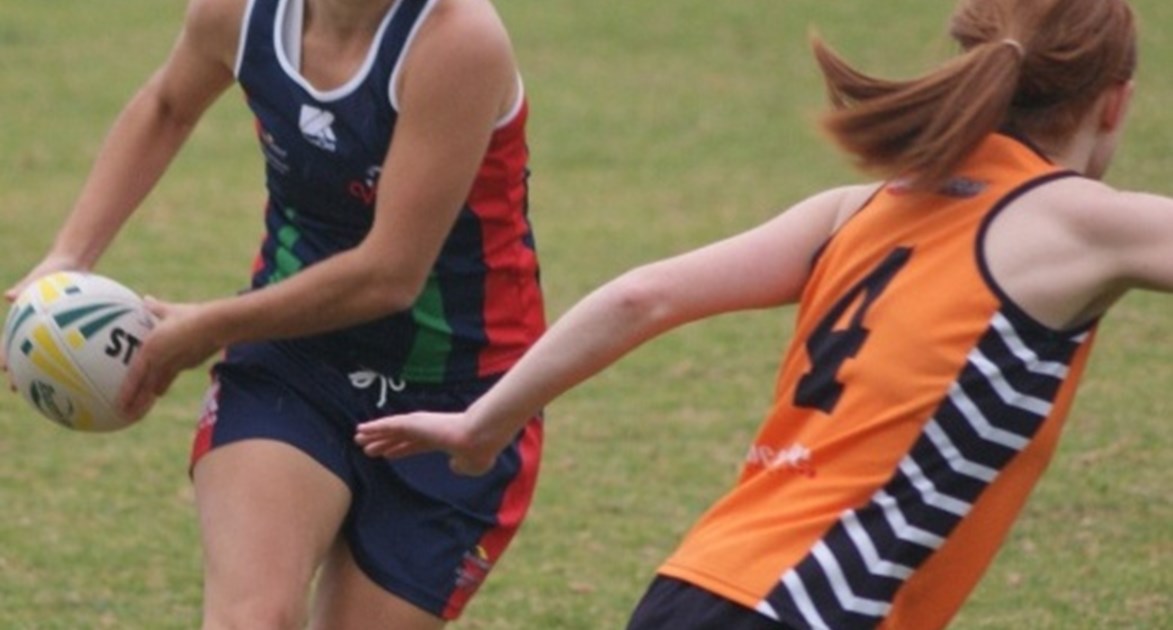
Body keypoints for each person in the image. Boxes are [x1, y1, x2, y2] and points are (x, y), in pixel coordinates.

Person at [356, 0, 1171, 627]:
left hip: (692, 588)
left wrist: (485, 421)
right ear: (1113, 103)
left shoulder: (855, 207)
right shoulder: (1079, 221)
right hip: (816, 606)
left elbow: (644, 294)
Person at [3, 0, 545, 628]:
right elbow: (166, 106)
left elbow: (390, 275)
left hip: (461, 399)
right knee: (252, 618)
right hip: (293, 359)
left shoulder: (456, 41)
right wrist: (68, 257)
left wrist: (210, 326)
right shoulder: (237, 11)